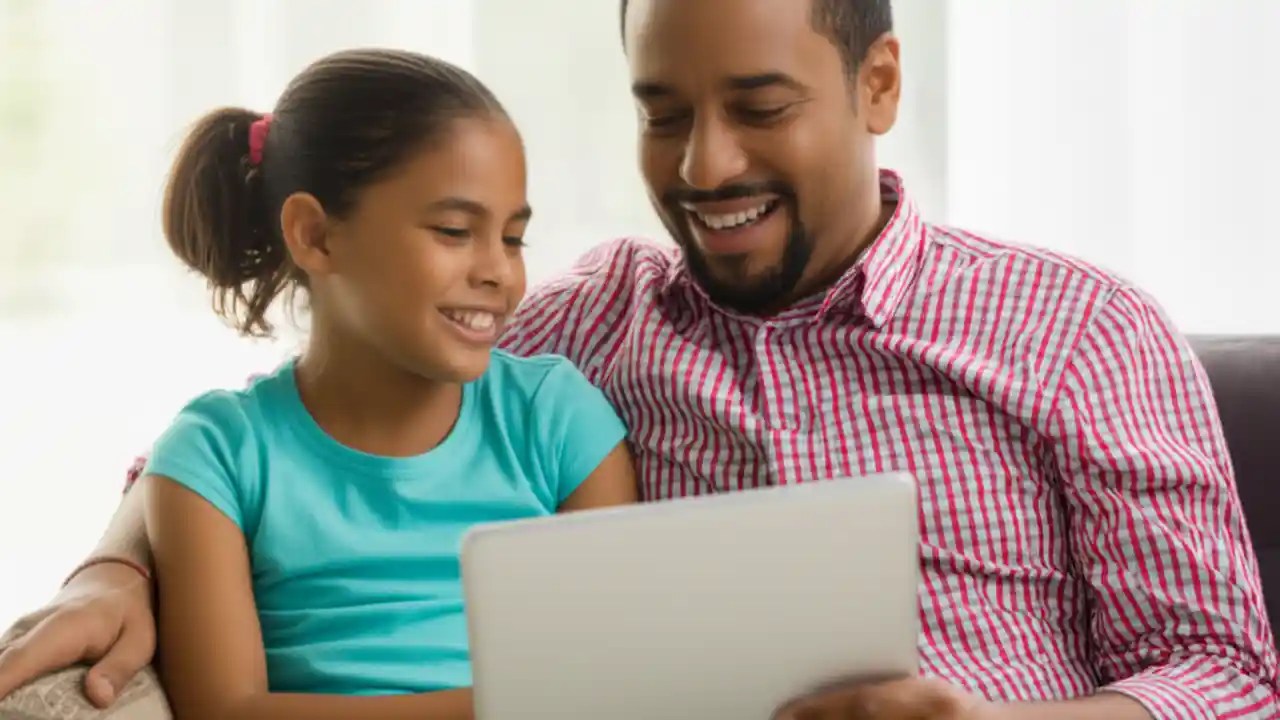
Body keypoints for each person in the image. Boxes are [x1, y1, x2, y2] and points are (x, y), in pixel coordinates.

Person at [1, 0, 1276, 718]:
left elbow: (1225, 673)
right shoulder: (598, 321)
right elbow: (310, 427)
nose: (700, 168)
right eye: (660, 116)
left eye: (759, 109)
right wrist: (112, 563)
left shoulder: (1079, 329)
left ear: (877, 84)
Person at [3, 48, 639, 720]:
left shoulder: (559, 422)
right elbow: (228, 710)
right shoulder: (215, 456)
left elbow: (617, 673)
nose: (500, 273)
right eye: (455, 231)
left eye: (513, 239)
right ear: (315, 236)